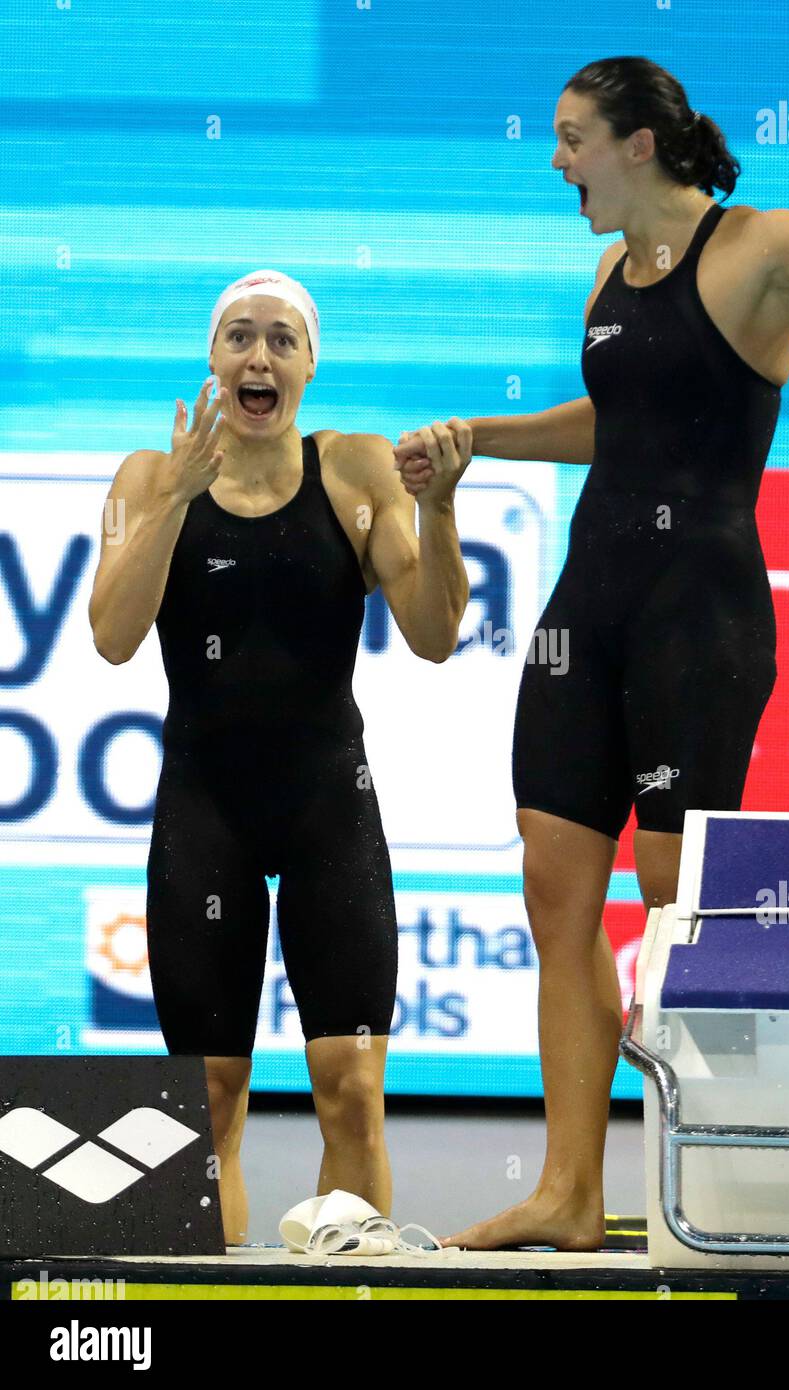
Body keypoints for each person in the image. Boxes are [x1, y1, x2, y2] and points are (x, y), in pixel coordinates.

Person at [395, 56, 789, 1250]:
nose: (555, 161)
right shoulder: (609, 269)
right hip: (586, 603)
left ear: (637, 143)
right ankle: (563, 1194)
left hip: (695, 614)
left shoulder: (760, 246)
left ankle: (713, 1184)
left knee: (667, 900)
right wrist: (482, 438)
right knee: (555, 888)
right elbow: (619, 419)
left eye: (570, 139)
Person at [88, 270, 470, 1246]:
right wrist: (174, 498)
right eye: (239, 339)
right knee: (212, 1094)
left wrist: (443, 511)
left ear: (308, 365)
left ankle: (354, 1289)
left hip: (326, 809)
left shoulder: (352, 469)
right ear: (212, 359)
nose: (258, 358)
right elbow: (111, 634)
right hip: (203, 807)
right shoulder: (145, 476)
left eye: (281, 341)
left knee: (350, 1088)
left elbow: (431, 633)